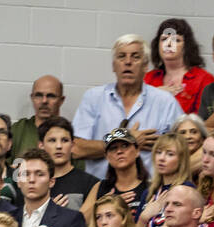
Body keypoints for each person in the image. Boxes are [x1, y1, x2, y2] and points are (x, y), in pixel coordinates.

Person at [74, 35, 184, 177]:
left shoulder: (164, 102)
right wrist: (126, 139)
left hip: (149, 193)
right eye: (121, 57)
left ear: (145, 66)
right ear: (114, 66)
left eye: (135, 57)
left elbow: (186, 146)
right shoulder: (93, 98)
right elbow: (77, 149)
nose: (128, 62)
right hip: (101, 193)